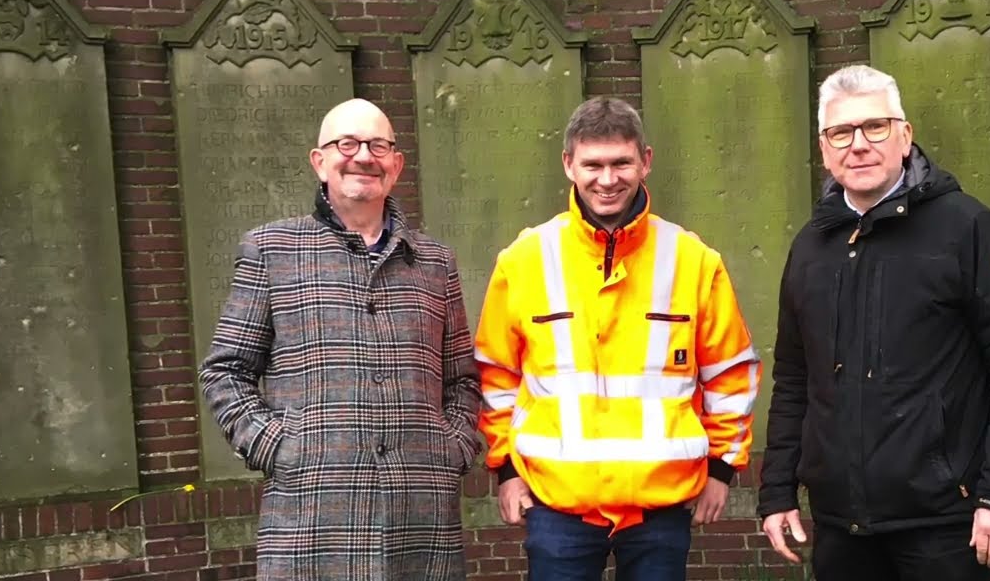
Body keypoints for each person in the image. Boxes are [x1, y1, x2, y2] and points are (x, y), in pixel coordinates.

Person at [757, 65, 990, 580]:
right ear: (824, 149)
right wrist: (777, 490)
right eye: (841, 133)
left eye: (875, 127)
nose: (859, 145)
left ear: (905, 135)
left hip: (944, 524)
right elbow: (794, 379)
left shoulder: (965, 226)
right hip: (840, 525)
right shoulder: (811, 246)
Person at [474, 96, 761, 581]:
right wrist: (505, 470)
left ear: (645, 161)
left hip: (659, 508)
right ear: (569, 164)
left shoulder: (694, 260)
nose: (607, 179)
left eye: (621, 163)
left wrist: (721, 469)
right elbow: (495, 374)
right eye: (593, 165)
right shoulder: (523, 260)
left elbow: (730, 373)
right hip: (557, 504)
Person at [199, 98, 481, 581]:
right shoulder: (273, 250)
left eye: (378, 145)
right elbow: (226, 371)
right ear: (320, 161)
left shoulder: (435, 262)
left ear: (396, 164)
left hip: (420, 514)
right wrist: (277, 446)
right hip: (311, 513)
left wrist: (450, 448)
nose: (363, 156)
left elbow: (462, 380)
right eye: (347, 144)